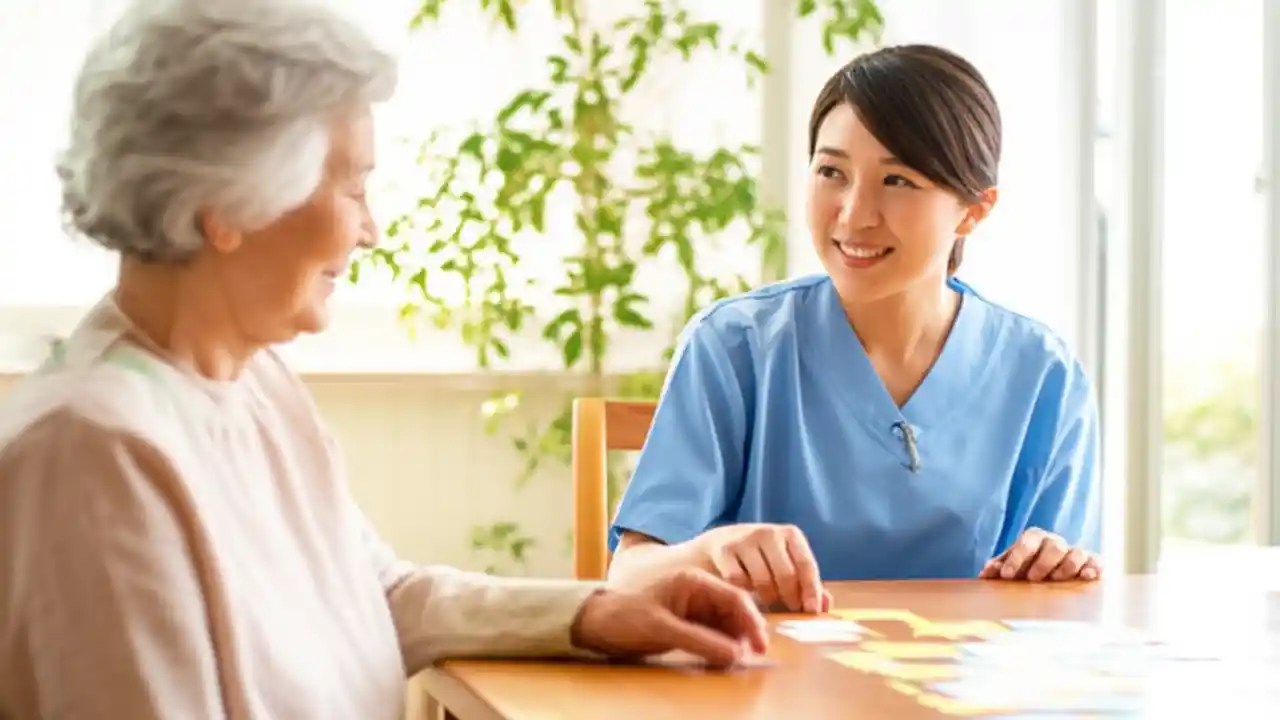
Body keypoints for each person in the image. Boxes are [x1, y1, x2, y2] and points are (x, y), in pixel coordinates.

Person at [0, 1, 768, 718]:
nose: (371, 230)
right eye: (355, 187)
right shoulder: (91, 453)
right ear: (231, 204)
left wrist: (598, 613)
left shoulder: (248, 380)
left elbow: (379, 593)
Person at [607, 44, 1103, 613]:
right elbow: (628, 579)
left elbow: (1070, 604)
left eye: (897, 181)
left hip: (960, 698)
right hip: (769, 692)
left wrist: (1060, 564)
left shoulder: (1044, 374)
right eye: (831, 172)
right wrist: (712, 551)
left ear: (973, 210)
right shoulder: (733, 346)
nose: (853, 214)